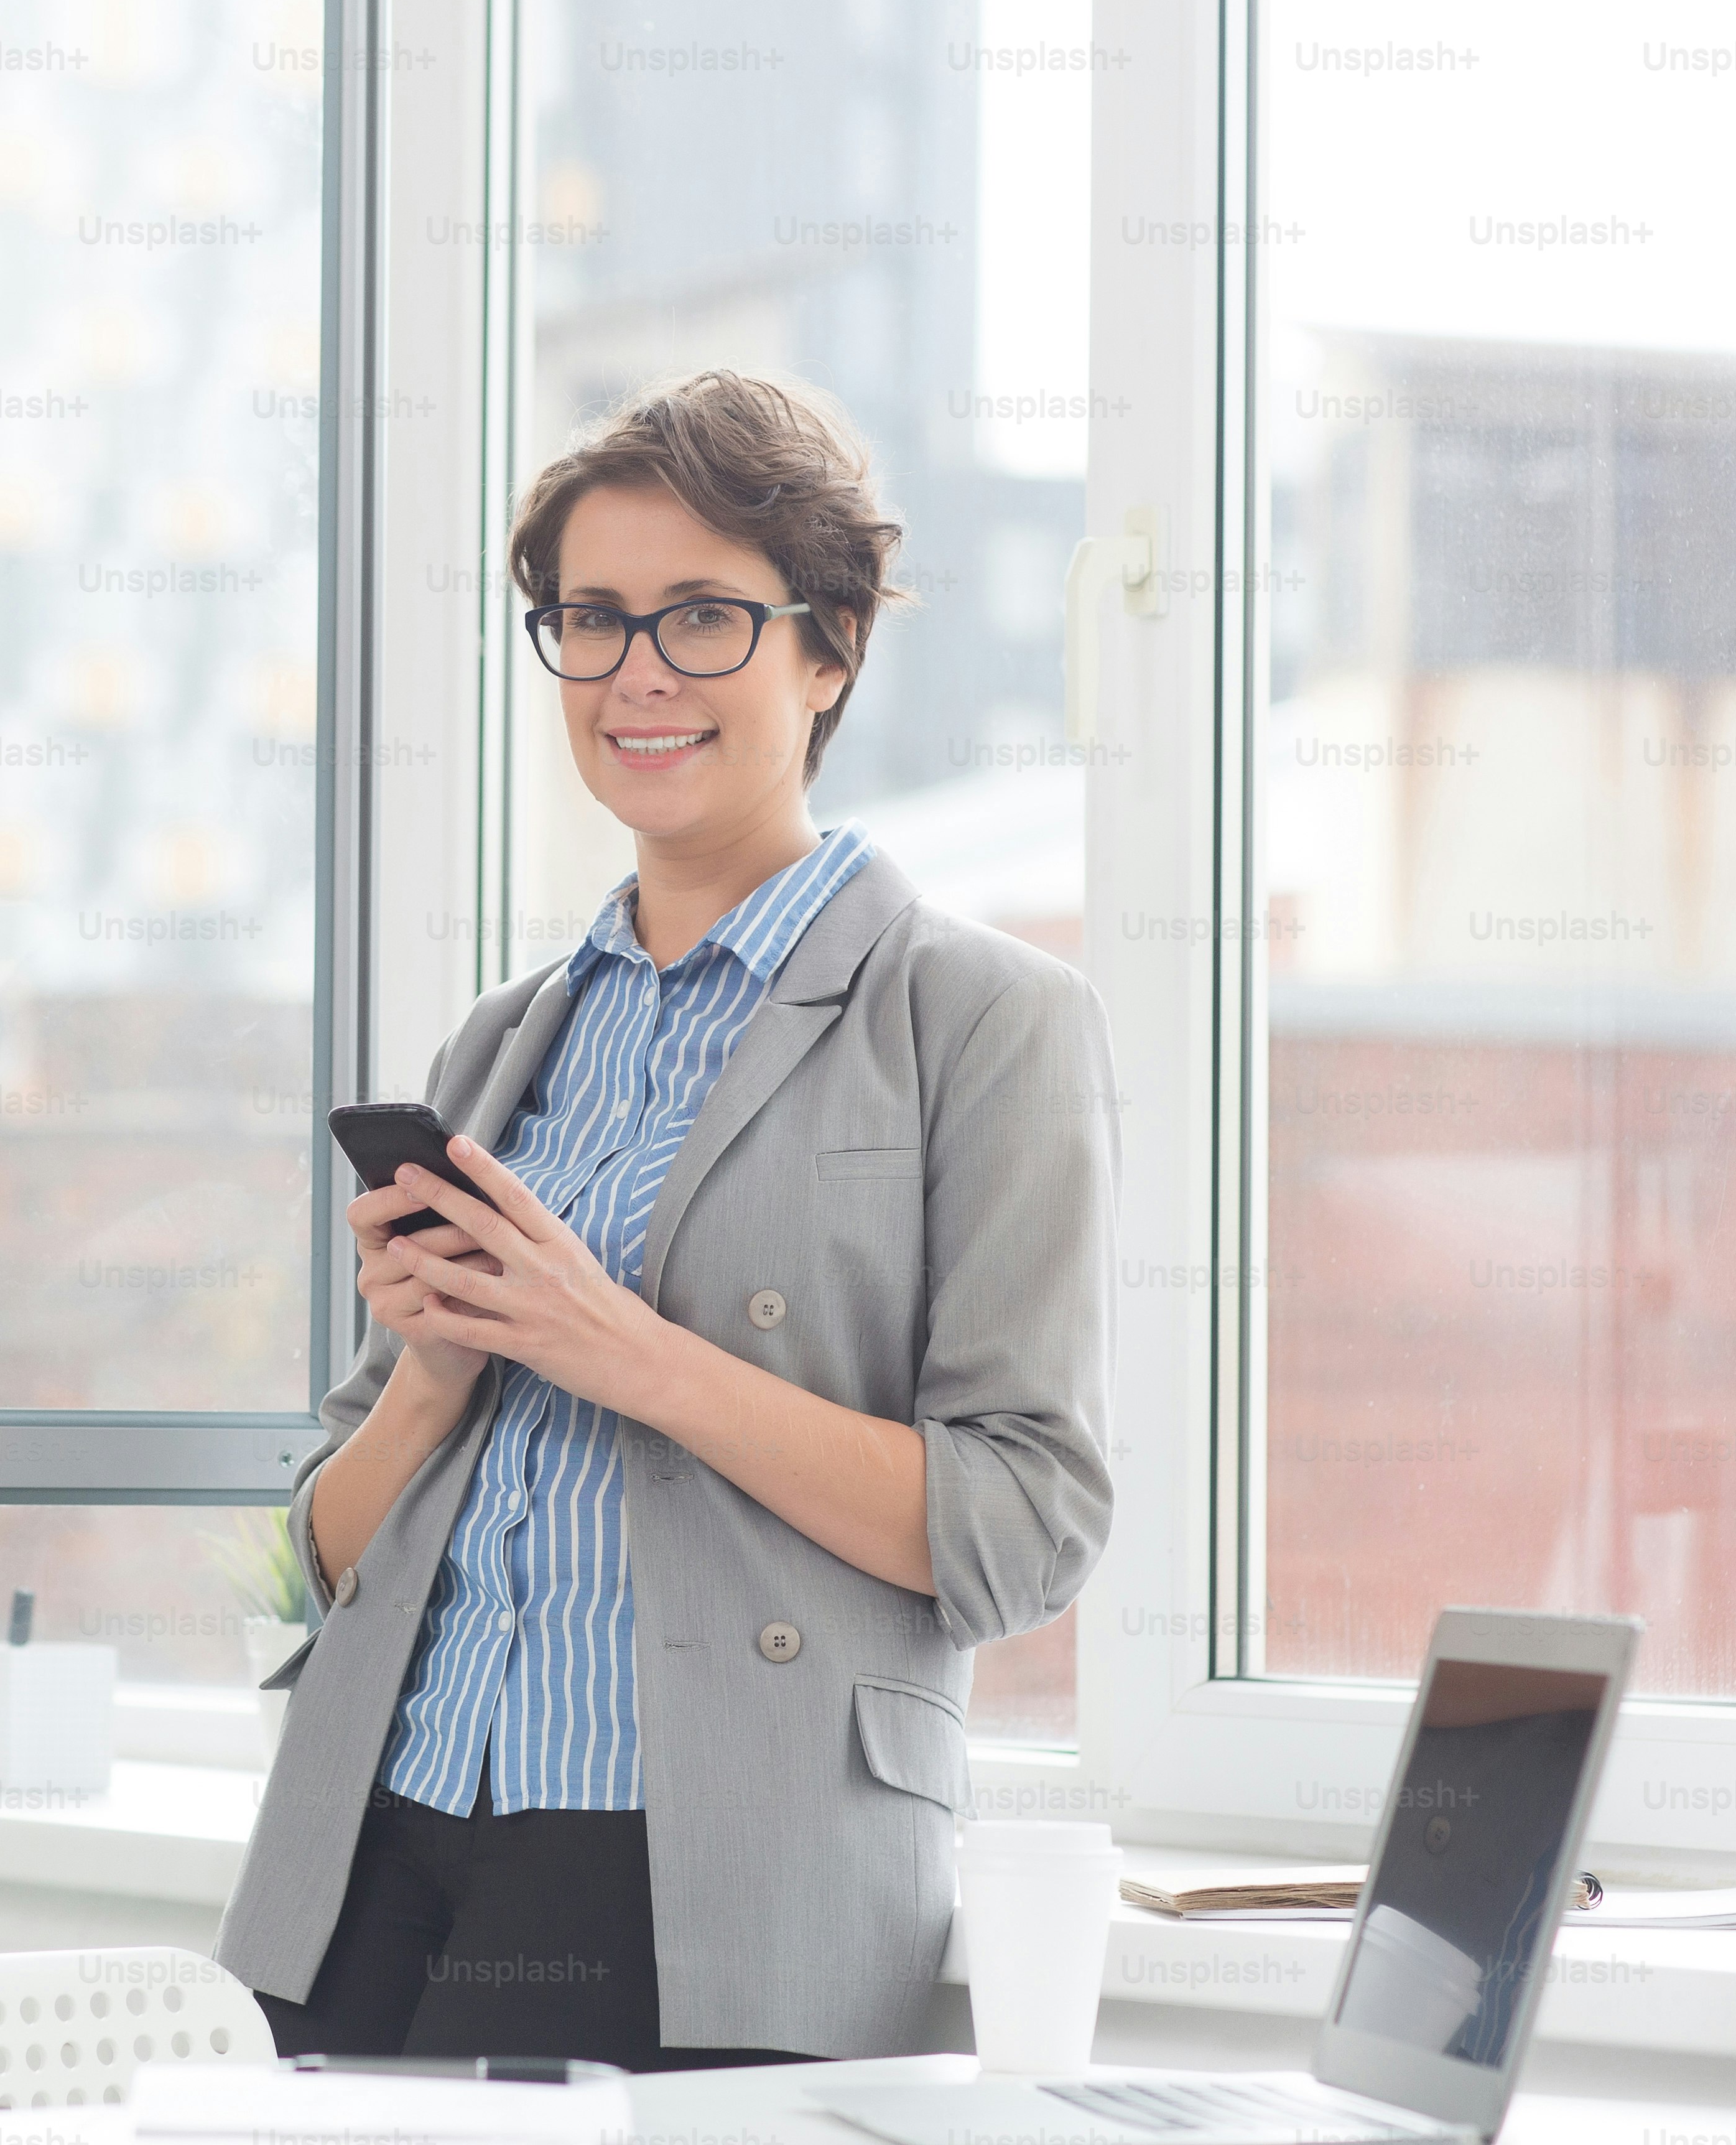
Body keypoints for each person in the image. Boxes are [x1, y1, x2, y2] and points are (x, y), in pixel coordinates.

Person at [214, 371, 1117, 2067]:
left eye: (704, 619)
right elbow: (303, 1571)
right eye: (592, 620)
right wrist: (428, 1377)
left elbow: (1025, 1530)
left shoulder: (983, 1019)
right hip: (369, 1839)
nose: (637, 672)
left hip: (689, 1852)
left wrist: (623, 1352)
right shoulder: (504, 1038)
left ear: (830, 649)